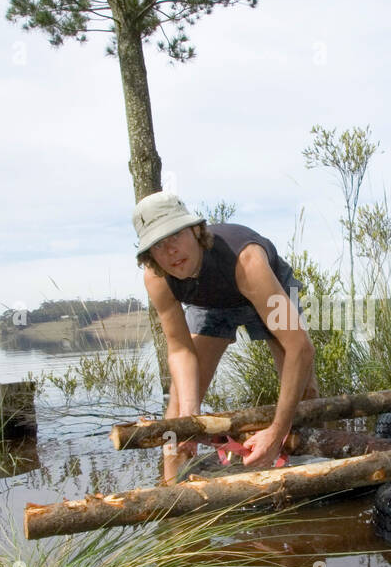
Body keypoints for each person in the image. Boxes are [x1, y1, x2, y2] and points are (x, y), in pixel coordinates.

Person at [134, 191, 319, 475]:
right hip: (212, 305)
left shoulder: (246, 261)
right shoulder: (157, 277)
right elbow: (180, 350)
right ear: (149, 255)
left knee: (304, 392)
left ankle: (319, 473)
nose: (170, 250)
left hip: (266, 289)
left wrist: (277, 430)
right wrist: (190, 418)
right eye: (158, 245)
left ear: (196, 230)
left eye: (175, 235)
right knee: (177, 405)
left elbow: (300, 348)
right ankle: (170, 498)